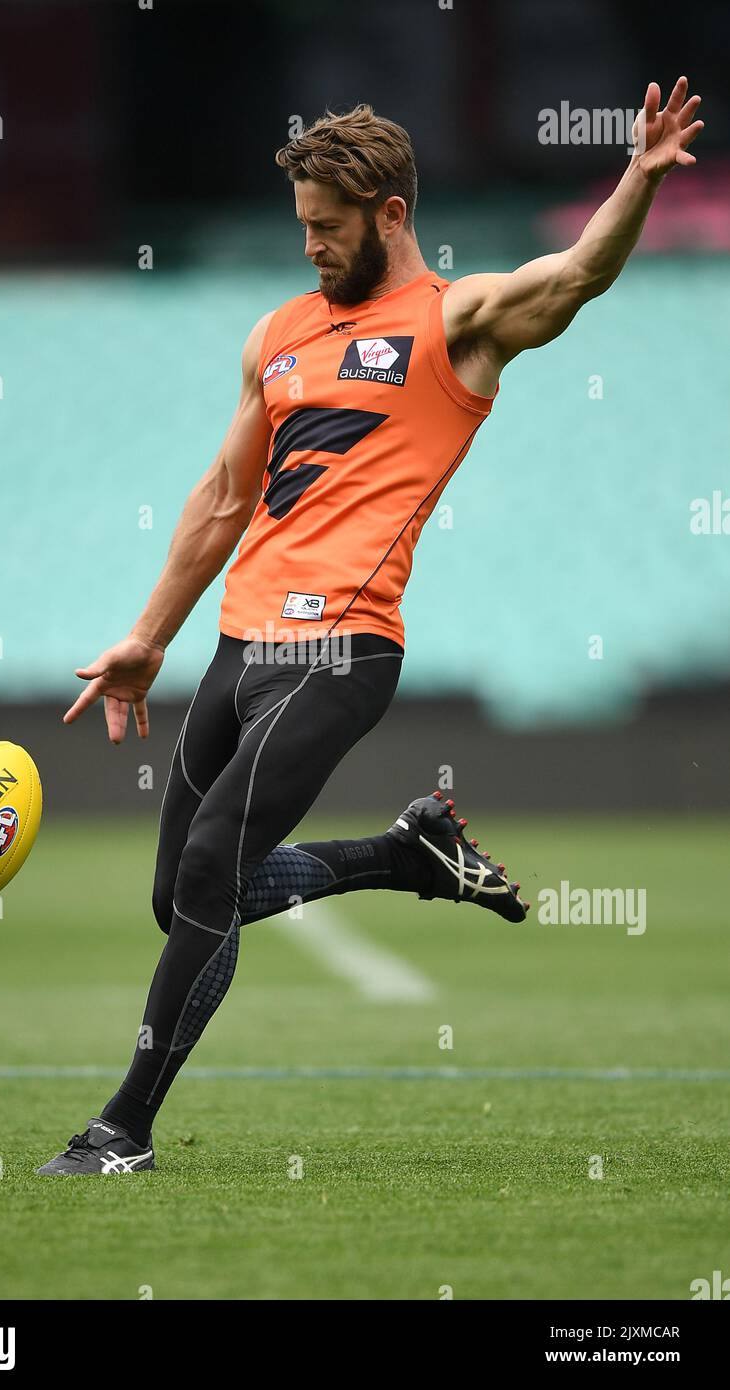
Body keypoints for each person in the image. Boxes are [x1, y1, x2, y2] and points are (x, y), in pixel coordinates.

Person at [37, 81, 703, 1174]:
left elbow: (576, 274)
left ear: (390, 215)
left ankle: (122, 1129)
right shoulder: (278, 336)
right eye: (301, 226)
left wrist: (633, 175)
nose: (308, 247)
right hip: (237, 648)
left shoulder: (457, 322)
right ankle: (408, 852)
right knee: (182, 898)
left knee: (211, 863)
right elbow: (220, 495)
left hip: (341, 651)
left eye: (327, 229)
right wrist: (148, 637)